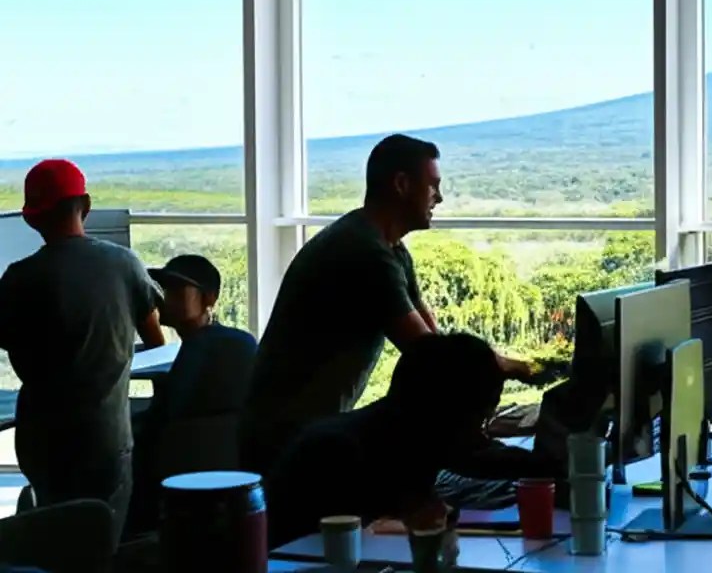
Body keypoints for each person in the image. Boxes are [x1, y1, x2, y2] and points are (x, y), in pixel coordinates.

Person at [240, 134, 533, 476]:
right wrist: (519, 368)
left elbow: (436, 343)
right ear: (402, 184)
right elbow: (429, 358)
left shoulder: (389, 249)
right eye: (433, 186)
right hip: (286, 442)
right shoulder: (363, 253)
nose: (439, 197)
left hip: (309, 431)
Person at [0, 159, 165, 546]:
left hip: (41, 439)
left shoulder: (19, 279)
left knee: (53, 544)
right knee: (101, 544)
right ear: (85, 205)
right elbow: (155, 339)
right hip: (105, 436)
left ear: (31, 220)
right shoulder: (124, 264)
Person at [263, 333, 558, 548]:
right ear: (447, 413)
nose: (479, 433)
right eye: (478, 419)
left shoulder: (398, 433)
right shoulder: (336, 456)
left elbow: (477, 455)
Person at [127, 254, 257, 535]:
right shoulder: (239, 343)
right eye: (165, 290)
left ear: (209, 298)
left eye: (177, 291)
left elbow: (161, 420)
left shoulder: (198, 350)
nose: (166, 299)